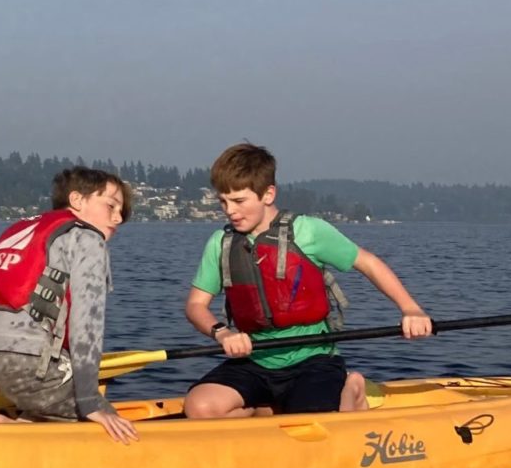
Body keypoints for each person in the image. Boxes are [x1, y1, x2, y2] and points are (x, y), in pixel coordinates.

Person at [182, 142, 433, 418]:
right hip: (255, 360)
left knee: (306, 421)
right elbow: (195, 305)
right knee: (199, 408)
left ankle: (350, 391)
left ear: (268, 194)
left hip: (313, 360)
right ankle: (270, 408)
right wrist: (222, 333)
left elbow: (369, 263)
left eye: (239, 201)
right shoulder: (221, 243)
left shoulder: (309, 231)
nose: (229, 211)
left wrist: (410, 309)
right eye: (223, 201)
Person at [0, 166, 139, 444]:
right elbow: (87, 324)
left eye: (121, 211)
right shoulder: (88, 239)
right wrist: (90, 403)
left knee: (49, 406)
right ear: (77, 200)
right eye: (111, 206)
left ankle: (17, 425)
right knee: (111, 432)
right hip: (32, 366)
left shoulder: (18, 233)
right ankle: (19, 429)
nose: (118, 218)